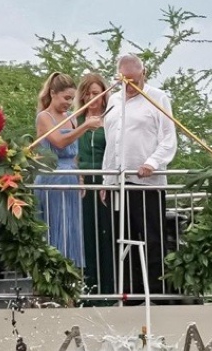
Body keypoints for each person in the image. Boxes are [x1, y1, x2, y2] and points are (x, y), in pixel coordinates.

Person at [102, 54, 177, 303]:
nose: (129, 85)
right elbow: (111, 142)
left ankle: (157, 293)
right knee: (123, 238)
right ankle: (130, 295)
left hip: (146, 182)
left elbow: (168, 138)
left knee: (151, 238)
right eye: (124, 80)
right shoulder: (114, 100)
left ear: (143, 73)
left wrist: (152, 163)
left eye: (133, 80)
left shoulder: (158, 98)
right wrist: (106, 180)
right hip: (118, 181)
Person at [34, 72, 102, 268]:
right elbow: (60, 142)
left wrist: (80, 178)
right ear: (53, 93)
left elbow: (74, 154)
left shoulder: (70, 118)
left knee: (71, 227)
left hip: (70, 178)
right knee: (55, 227)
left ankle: (70, 275)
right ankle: (51, 274)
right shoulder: (44, 117)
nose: (69, 103)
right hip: (52, 178)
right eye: (66, 98)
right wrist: (85, 126)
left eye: (72, 99)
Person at [77, 73, 116, 300]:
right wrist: (79, 176)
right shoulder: (76, 120)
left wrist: (107, 180)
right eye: (87, 93)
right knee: (86, 234)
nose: (91, 98)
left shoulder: (111, 119)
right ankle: (88, 287)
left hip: (104, 181)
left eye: (95, 93)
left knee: (107, 233)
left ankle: (109, 289)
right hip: (83, 182)